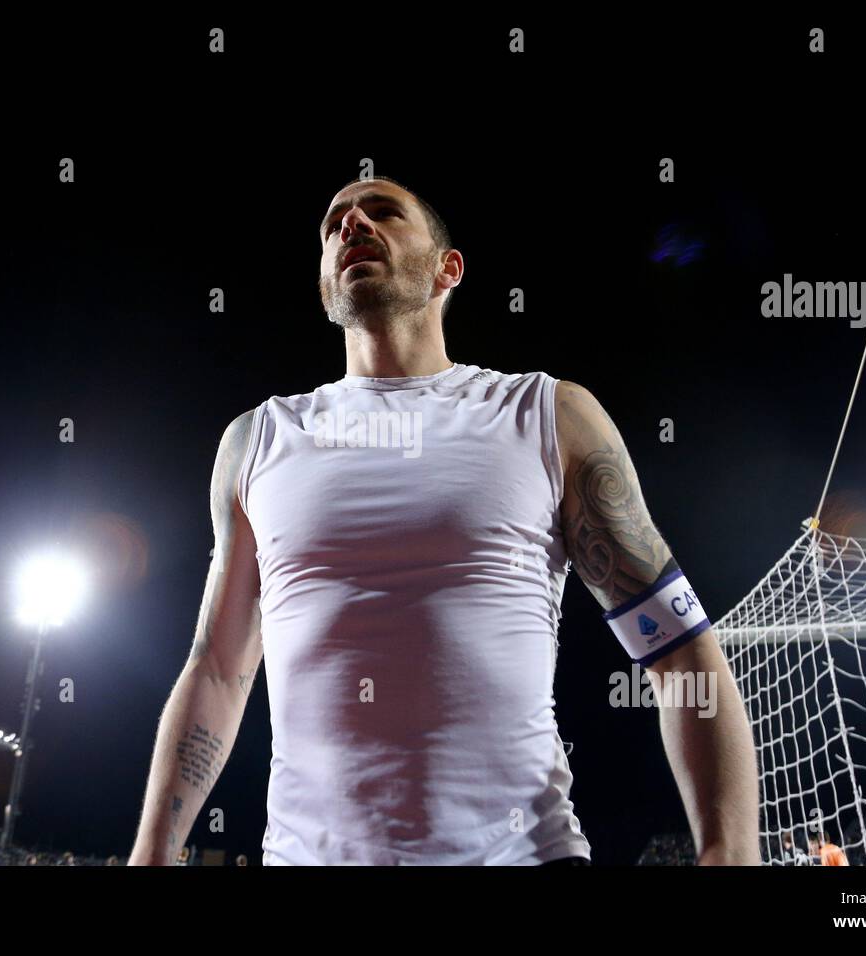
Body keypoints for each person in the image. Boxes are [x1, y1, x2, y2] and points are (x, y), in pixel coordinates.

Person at [128, 176, 759, 866]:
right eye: (335, 221)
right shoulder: (258, 440)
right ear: (322, 290)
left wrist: (731, 848)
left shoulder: (545, 415)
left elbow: (678, 647)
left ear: (447, 269)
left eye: (383, 212)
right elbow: (217, 669)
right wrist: (153, 851)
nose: (353, 224)